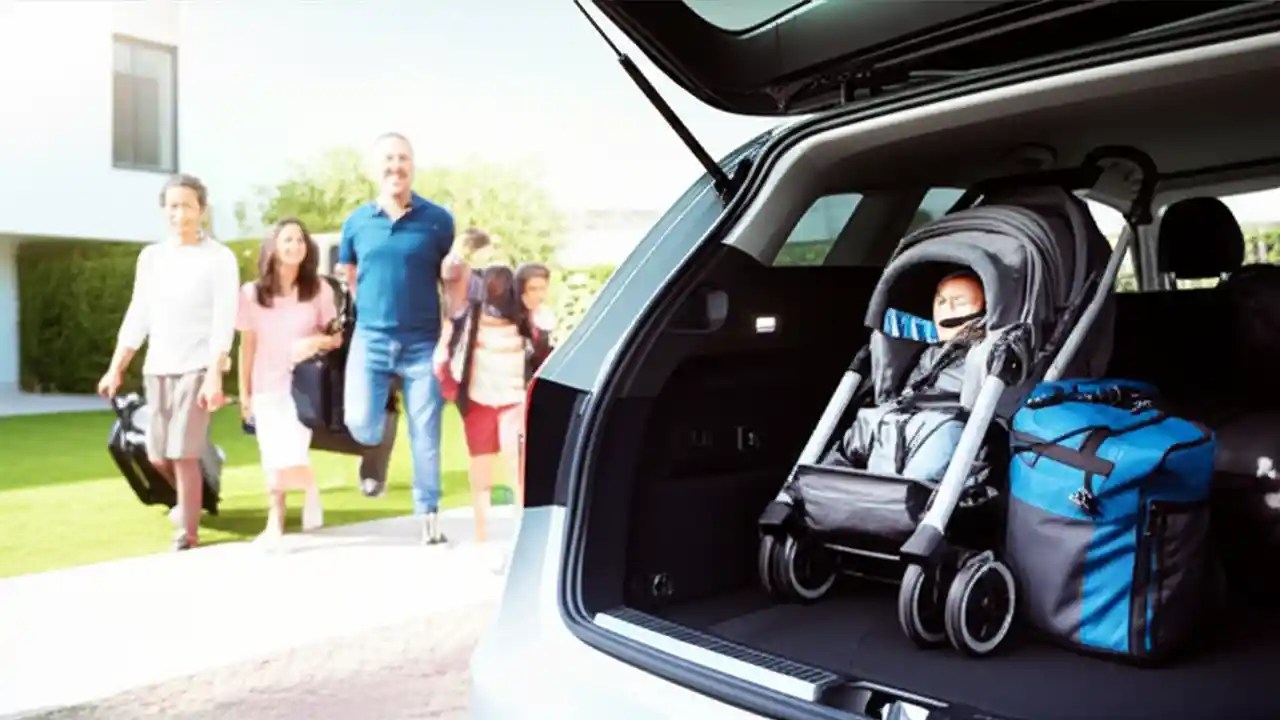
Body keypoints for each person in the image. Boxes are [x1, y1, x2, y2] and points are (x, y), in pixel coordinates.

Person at [97, 174, 240, 551]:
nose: (180, 214)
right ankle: (198, 488)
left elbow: (224, 321)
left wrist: (214, 376)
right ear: (165, 211)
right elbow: (138, 314)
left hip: (197, 366)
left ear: (202, 210)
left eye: (187, 206)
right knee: (159, 455)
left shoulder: (220, 259)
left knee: (182, 453)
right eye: (172, 207)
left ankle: (188, 533)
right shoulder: (152, 258)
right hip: (157, 367)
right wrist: (117, 366)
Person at [336, 132, 463, 545]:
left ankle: (429, 517)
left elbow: (452, 282)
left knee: (426, 434)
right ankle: (376, 446)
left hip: (422, 343)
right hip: (371, 338)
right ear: (376, 168)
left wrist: (449, 331)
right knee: (361, 424)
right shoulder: (356, 222)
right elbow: (350, 276)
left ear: (413, 165)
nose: (396, 166)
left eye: (403, 158)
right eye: (388, 159)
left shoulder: (438, 220)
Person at [236, 217, 343, 546]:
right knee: (272, 455)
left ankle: (309, 490)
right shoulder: (251, 294)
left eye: (300, 240)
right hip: (265, 384)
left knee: (293, 453)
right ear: (273, 248)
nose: (295, 246)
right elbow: (247, 346)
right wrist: (244, 394)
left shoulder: (319, 289)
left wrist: (313, 343)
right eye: (288, 240)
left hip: (302, 386)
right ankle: (275, 519)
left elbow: (335, 337)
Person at [825, 269, 988, 480]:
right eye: (940, 301)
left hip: (943, 431)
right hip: (898, 424)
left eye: (959, 301)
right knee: (868, 422)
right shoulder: (925, 352)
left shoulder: (984, 356)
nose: (947, 309)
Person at [438, 265, 529, 560]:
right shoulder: (469, 320)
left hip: (510, 400)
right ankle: (483, 534)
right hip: (482, 401)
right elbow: (444, 356)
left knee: (513, 468)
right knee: (487, 470)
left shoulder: (523, 322)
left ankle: (515, 532)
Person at [515, 262, 555, 380]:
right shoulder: (510, 319)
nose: (539, 295)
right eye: (533, 289)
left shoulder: (545, 316)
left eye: (542, 289)